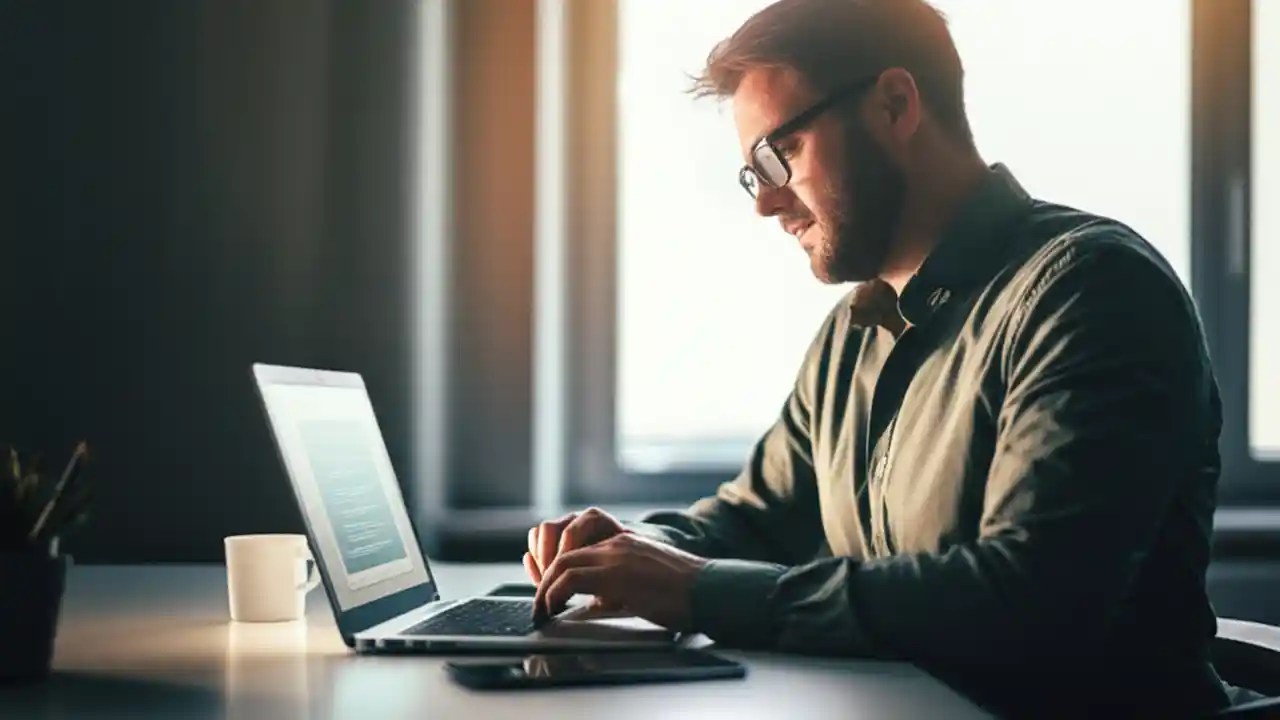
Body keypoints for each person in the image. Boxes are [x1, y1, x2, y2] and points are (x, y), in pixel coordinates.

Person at [525, 0, 1228, 715]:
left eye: (781, 154)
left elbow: (1028, 601)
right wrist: (628, 550)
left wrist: (697, 587)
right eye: (752, 173)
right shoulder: (851, 335)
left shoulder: (1091, 292)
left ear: (894, 105)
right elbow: (754, 519)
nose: (766, 203)